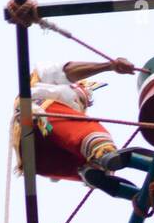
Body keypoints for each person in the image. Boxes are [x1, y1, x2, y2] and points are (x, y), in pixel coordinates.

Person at [13, 57, 137, 193]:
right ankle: (104, 154)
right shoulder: (51, 80)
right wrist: (108, 66)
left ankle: (96, 173)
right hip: (38, 114)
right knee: (89, 131)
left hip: (40, 152)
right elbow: (66, 71)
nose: (88, 102)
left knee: (85, 161)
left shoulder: (73, 111)